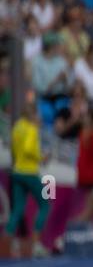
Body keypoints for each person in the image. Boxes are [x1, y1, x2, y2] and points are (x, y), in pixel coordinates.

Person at [6, 98, 50, 255]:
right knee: (45, 204)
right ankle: (36, 243)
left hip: (17, 171)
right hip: (29, 172)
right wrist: (42, 158)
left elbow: (14, 147)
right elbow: (28, 149)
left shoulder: (17, 127)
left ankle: (5, 243)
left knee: (17, 208)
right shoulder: (31, 128)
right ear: (33, 114)